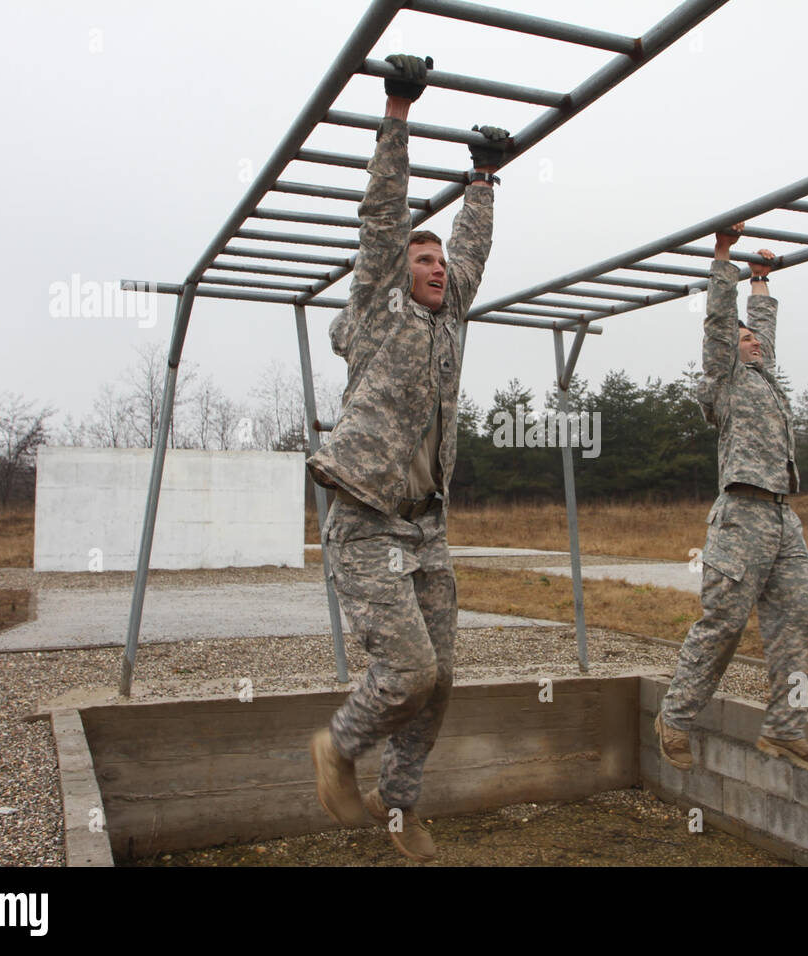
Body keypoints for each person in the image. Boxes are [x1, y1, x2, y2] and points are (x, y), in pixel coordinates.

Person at [304, 53, 507, 862]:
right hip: (366, 518)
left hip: (427, 528)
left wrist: (482, 177)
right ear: (399, 273)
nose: (435, 268)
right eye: (423, 260)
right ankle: (338, 745)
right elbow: (383, 219)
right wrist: (397, 111)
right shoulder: (380, 306)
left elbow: (472, 252)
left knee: (441, 680)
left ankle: (399, 805)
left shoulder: (448, 320)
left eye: (438, 262)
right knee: (410, 670)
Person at [654, 222, 808, 775]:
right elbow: (717, 325)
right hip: (741, 516)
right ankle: (674, 718)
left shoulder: (764, 377)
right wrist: (723, 256)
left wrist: (761, 282)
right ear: (728, 352)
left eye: (755, 338)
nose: (754, 342)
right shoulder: (725, 380)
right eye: (746, 339)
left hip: (783, 517)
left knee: (798, 623)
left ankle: (784, 728)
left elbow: (765, 333)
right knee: (723, 626)